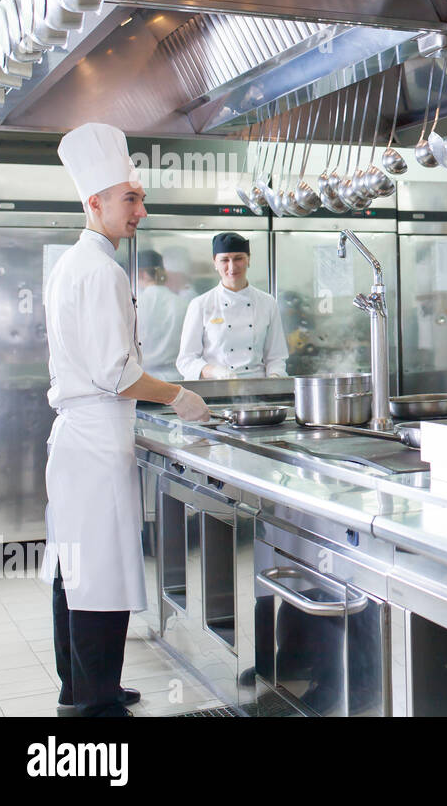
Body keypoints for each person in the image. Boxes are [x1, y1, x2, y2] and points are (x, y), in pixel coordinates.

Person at [43, 122, 211, 718]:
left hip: (80, 439)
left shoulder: (76, 263)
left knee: (78, 570)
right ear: (96, 202)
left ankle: (85, 688)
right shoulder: (101, 271)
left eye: (139, 197)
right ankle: (93, 705)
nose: (141, 208)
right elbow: (116, 374)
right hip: (92, 441)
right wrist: (177, 396)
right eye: (130, 198)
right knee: (97, 575)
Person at [176, 232, 289, 379]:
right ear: (215, 263)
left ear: (248, 259)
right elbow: (186, 361)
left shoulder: (267, 303)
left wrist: (275, 377)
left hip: (259, 388)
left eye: (238, 258)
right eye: (224, 260)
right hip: (215, 389)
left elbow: (276, 357)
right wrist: (214, 371)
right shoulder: (200, 305)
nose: (232, 266)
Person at [136, 249, 187, 381]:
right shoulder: (182, 303)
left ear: (142, 274)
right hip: (177, 379)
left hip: (144, 380)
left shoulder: (135, 304)